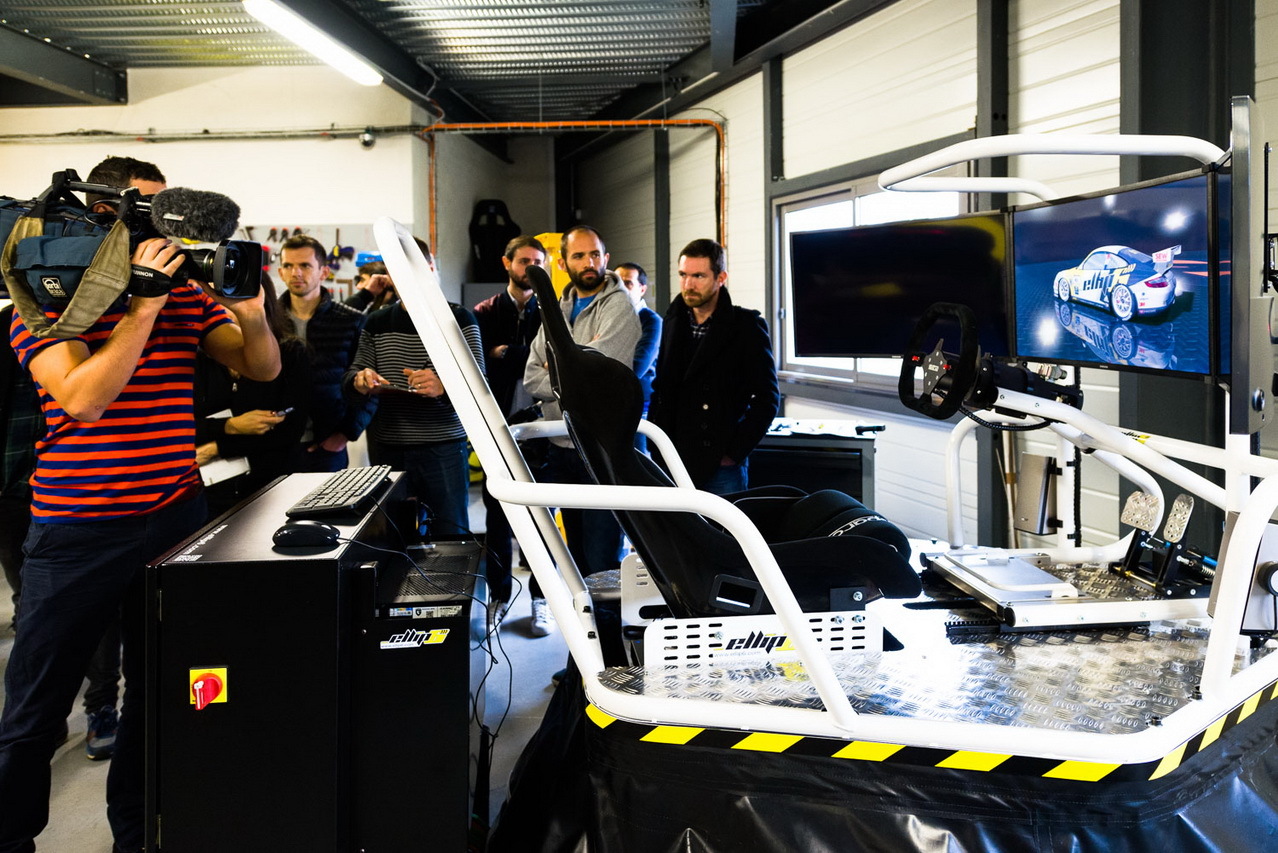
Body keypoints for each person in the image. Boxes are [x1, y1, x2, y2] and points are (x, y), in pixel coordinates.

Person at [0, 198, 281, 853]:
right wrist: (142, 308)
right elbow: (84, 399)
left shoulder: (186, 297)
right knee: (36, 705)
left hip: (174, 517)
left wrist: (250, 311)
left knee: (161, 697)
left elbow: (261, 367)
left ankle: (138, 834)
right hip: (79, 528)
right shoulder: (46, 301)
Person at [523, 226, 640, 636]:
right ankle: (582, 657)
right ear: (563, 262)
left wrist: (560, 368)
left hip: (600, 452)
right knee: (572, 561)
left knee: (601, 563)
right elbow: (531, 375)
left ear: (605, 258)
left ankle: (609, 655)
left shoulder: (620, 307)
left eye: (595, 255)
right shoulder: (558, 306)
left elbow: (596, 379)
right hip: (561, 447)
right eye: (579, 256)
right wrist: (572, 366)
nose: (589, 263)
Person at [343, 239, 486, 540]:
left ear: (429, 268)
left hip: (443, 448)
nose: (404, 277)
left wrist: (444, 387)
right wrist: (360, 380)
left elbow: (480, 387)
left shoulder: (458, 319)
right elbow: (354, 374)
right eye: (396, 270)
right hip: (388, 447)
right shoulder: (377, 322)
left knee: (450, 536)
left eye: (411, 268)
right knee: (393, 538)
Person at [649, 238, 779, 495]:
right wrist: (656, 441)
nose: (688, 285)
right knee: (674, 523)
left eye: (699, 276)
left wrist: (733, 453)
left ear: (721, 278)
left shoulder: (746, 327)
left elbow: (768, 399)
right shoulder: (673, 320)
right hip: (672, 457)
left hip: (719, 464)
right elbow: (662, 386)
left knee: (723, 522)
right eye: (683, 275)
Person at [473, 236, 546, 622]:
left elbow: (548, 363)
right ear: (507, 263)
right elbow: (481, 363)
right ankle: (498, 595)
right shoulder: (484, 312)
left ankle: (542, 599)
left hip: (542, 428)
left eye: (537, 261)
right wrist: (524, 357)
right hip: (498, 427)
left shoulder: (551, 311)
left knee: (544, 517)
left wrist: (507, 353)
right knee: (498, 517)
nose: (530, 268)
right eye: (523, 261)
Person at [195, 275, 312, 518]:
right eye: (214, 303)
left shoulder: (290, 353)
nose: (225, 312)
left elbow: (288, 430)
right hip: (214, 491)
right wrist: (230, 425)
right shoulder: (199, 359)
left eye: (231, 303)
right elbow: (185, 425)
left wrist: (218, 446)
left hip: (275, 486)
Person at [276, 234, 374, 473]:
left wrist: (345, 433)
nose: (296, 273)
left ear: (324, 272)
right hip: (277, 445)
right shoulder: (269, 320)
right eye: (288, 266)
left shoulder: (351, 321)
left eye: (305, 265)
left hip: (327, 446)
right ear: (280, 272)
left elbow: (372, 384)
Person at [615, 262, 662, 449]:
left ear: (642, 289)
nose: (621, 288)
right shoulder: (610, 320)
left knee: (638, 462)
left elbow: (637, 366)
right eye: (617, 283)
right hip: (614, 405)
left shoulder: (651, 321)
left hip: (639, 408)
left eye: (628, 283)